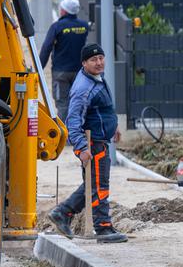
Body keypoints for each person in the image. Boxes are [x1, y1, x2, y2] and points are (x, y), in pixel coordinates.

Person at [47, 44, 127, 243]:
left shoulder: (96, 78)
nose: (99, 62)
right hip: (93, 144)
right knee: (99, 185)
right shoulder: (83, 88)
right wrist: (82, 148)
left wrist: (114, 126)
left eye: (101, 57)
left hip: (101, 139)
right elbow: (73, 121)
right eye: (94, 60)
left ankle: (62, 213)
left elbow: (104, 108)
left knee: (93, 183)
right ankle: (103, 228)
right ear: (84, 63)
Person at [39, 0, 89, 118]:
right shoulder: (84, 26)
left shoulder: (57, 27)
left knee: (62, 104)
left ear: (64, 11)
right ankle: (78, 131)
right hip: (79, 72)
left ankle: (65, 134)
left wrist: (39, 67)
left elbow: (46, 48)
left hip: (60, 72)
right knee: (79, 103)